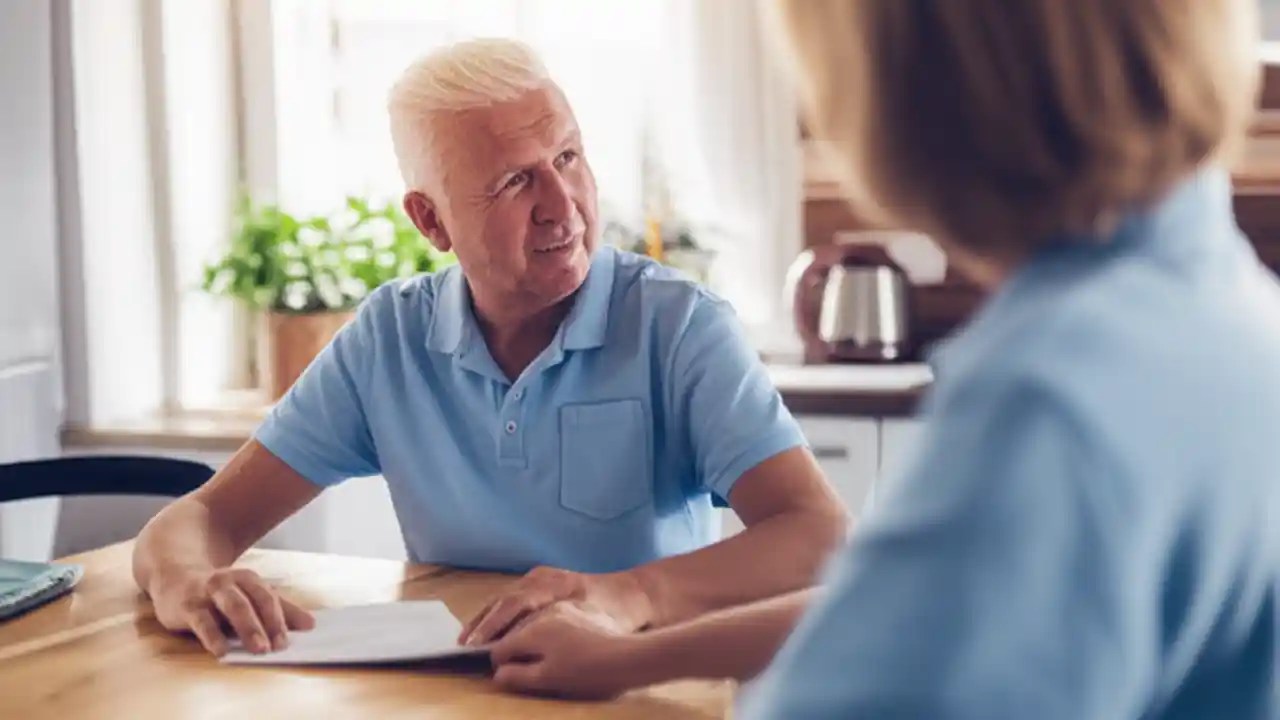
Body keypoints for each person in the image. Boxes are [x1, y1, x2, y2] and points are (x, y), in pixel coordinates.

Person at [487, 2, 1280, 717]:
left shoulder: (1052, 402)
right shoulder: (1222, 305)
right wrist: (632, 658)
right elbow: (922, 606)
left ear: (907, 96)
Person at [131, 38, 849, 658]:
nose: (563, 205)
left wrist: (627, 597)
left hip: (640, 688)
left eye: (568, 157)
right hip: (462, 689)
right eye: (514, 181)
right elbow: (202, 519)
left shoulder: (679, 326)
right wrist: (191, 583)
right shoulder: (388, 339)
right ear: (429, 219)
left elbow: (818, 535)